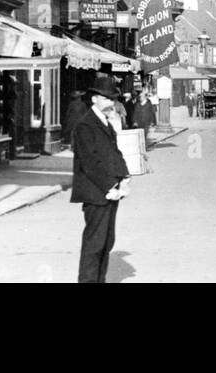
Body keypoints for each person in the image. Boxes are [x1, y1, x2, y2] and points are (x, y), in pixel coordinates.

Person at [71, 75, 131, 283]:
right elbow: (89, 163)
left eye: (112, 99)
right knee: (94, 244)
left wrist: (124, 176)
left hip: (110, 192)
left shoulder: (105, 122)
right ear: (95, 98)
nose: (111, 102)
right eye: (106, 98)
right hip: (96, 192)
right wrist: (109, 186)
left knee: (106, 242)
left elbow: (115, 153)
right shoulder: (85, 125)